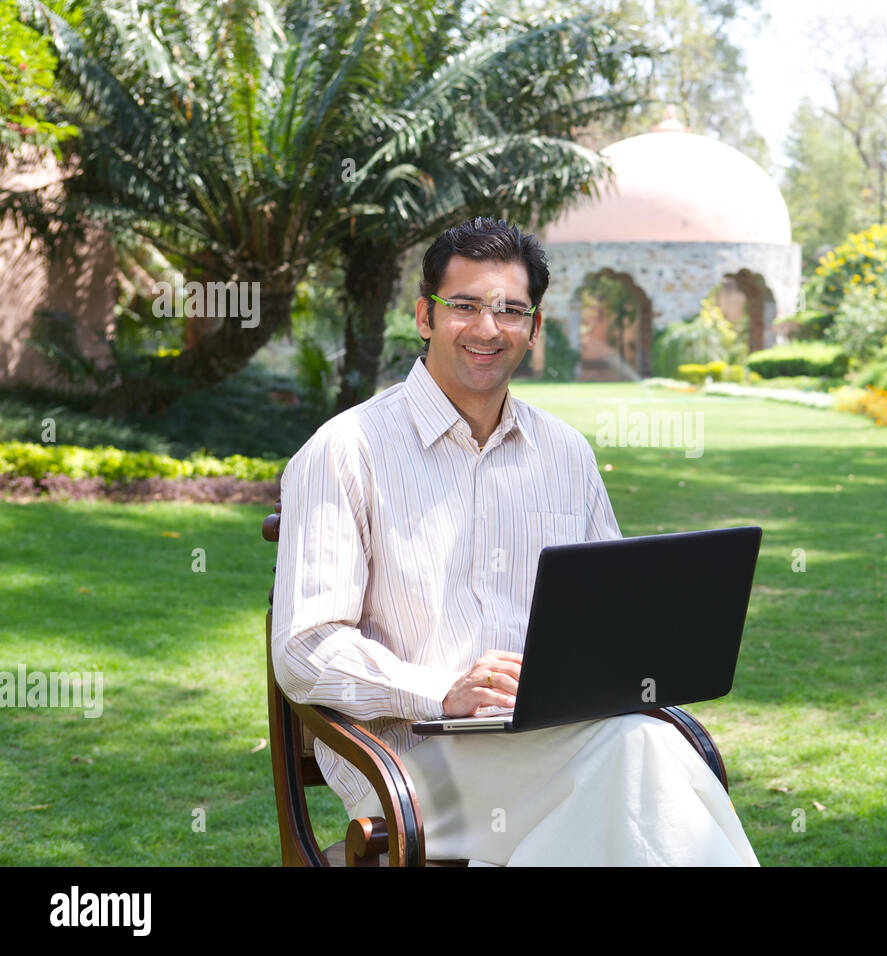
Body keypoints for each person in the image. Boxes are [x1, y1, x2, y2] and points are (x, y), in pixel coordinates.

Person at [271, 216, 759, 866]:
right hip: (414, 769)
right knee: (647, 755)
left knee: (648, 747)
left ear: (532, 327)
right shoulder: (345, 452)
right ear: (424, 315)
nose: (487, 329)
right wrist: (441, 691)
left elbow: (610, 617)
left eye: (509, 310)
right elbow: (305, 648)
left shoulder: (565, 454)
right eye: (464, 306)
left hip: (561, 744)